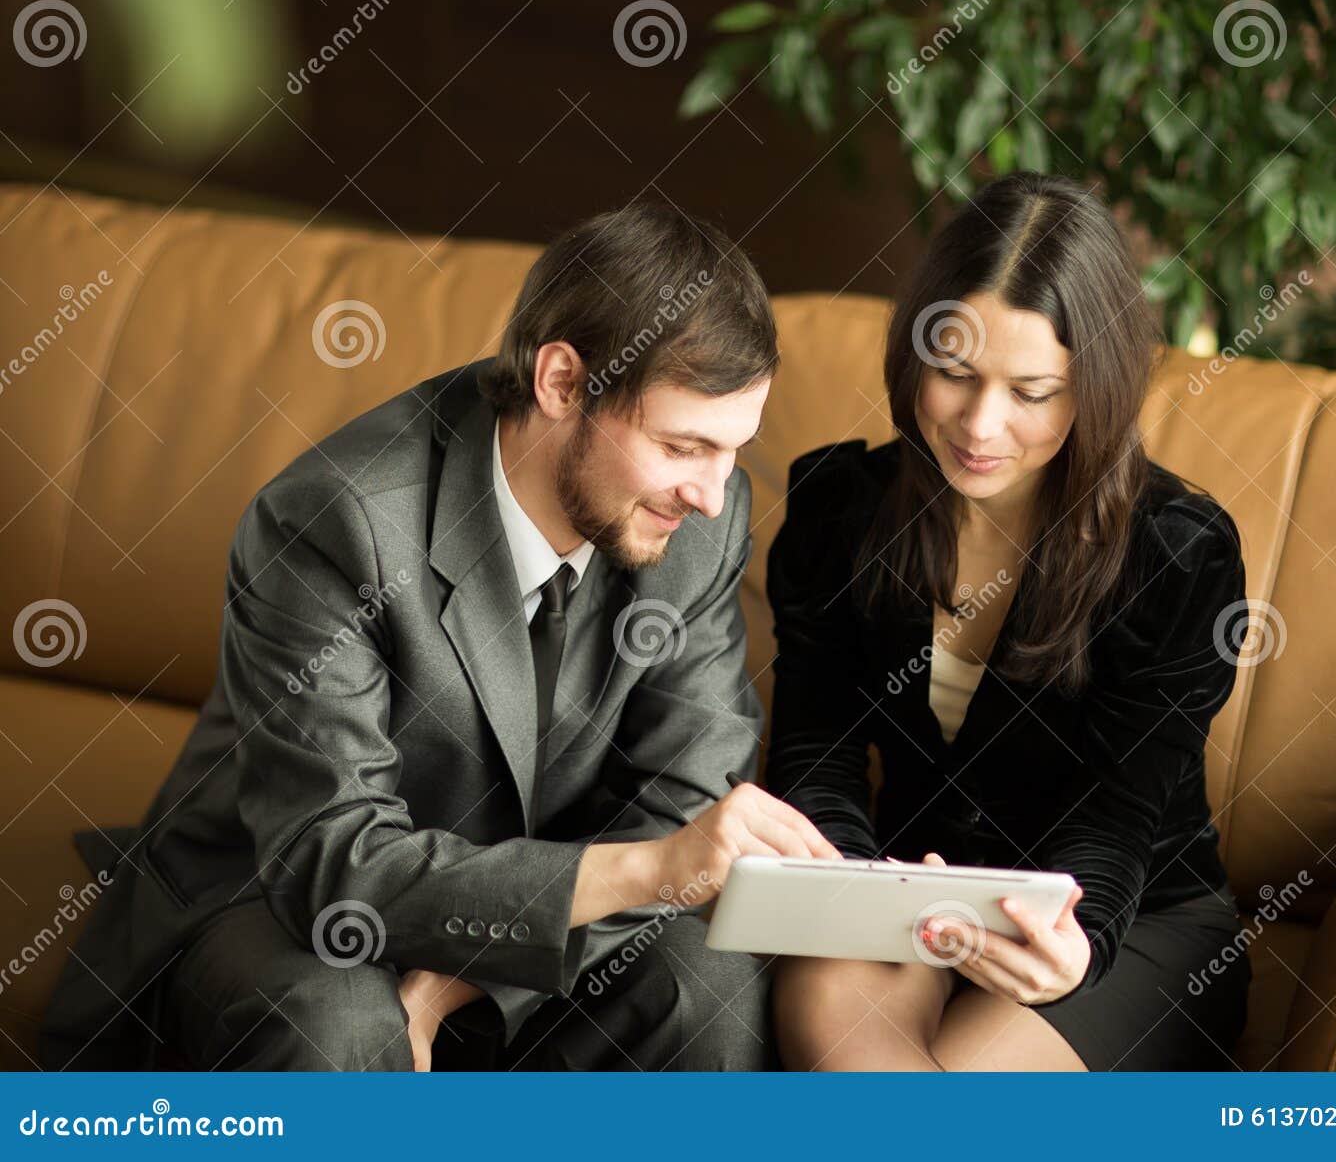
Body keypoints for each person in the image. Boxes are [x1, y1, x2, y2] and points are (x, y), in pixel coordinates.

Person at [39, 202, 838, 1073]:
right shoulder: (336, 520)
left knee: (704, 988)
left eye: (732, 450)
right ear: (563, 384)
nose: (714, 495)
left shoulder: (699, 522)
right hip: (280, 900)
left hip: (542, 913)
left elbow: (688, 793)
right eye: (683, 445)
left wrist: (457, 979)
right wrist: (642, 873)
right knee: (343, 1023)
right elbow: (333, 860)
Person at [764, 172, 1252, 1072]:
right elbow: (816, 748)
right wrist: (856, 888)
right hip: (907, 892)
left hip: (1124, 921)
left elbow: (1120, 812)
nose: (980, 425)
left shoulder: (1177, 554)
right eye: (954, 373)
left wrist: (1078, 941)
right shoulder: (841, 509)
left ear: (1095, 388)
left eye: (1031, 392)